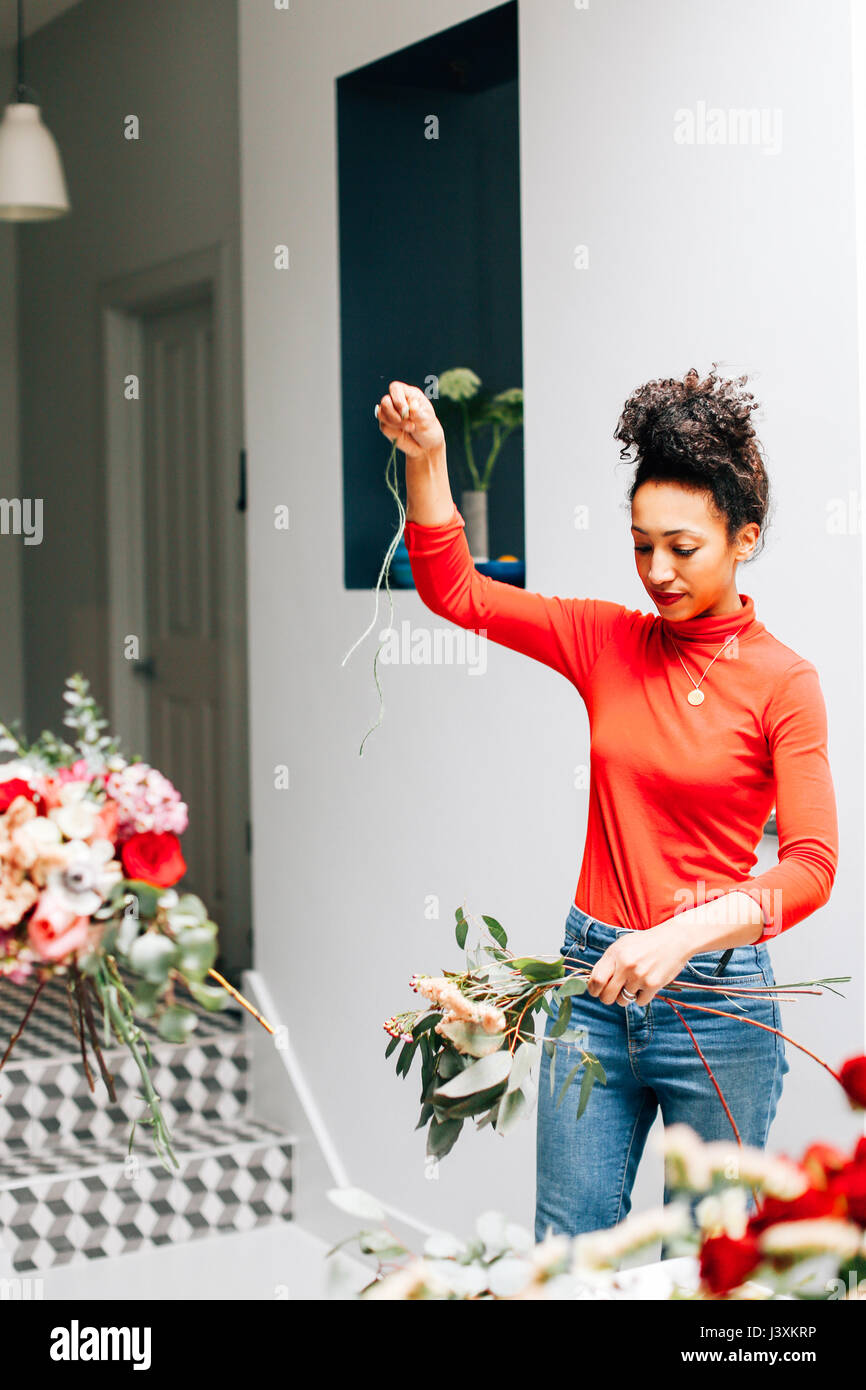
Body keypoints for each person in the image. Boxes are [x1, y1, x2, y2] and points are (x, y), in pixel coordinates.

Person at [375, 366, 838, 1246]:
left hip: (717, 1005)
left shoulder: (786, 683)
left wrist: (678, 937)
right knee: (569, 1254)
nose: (656, 571)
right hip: (591, 989)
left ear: (742, 539)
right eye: (639, 545)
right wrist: (428, 459)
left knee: (708, 1268)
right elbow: (458, 594)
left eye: (682, 547)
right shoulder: (609, 642)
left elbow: (811, 867)